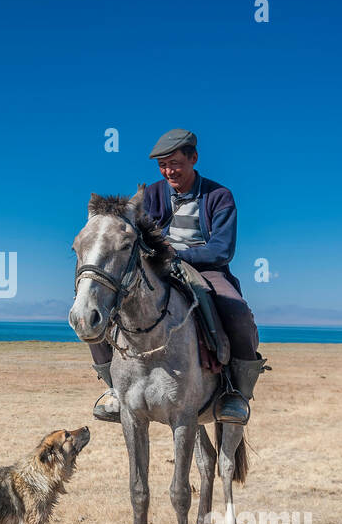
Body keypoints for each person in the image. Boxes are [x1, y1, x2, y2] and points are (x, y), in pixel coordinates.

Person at [89, 128, 267, 424]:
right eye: (163, 165)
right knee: (101, 305)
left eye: (175, 163)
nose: (169, 171)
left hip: (207, 268)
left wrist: (179, 255)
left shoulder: (219, 196)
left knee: (237, 313)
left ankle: (236, 392)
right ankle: (114, 390)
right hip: (157, 267)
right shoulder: (152, 194)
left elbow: (222, 249)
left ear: (193, 158)